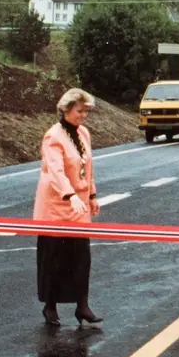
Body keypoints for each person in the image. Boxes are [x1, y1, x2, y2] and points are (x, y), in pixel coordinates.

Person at [34, 88, 102, 327]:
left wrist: (91, 195)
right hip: (56, 207)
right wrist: (69, 194)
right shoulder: (53, 136)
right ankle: (50, 306)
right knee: (54, 258)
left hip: (79, 207)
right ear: (66, 109)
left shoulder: (84, 133)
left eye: (86, 111)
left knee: (81, 257)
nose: (83, 115)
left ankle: (82, 306)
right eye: (79, 111)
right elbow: (55, 171)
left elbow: (88, 167)